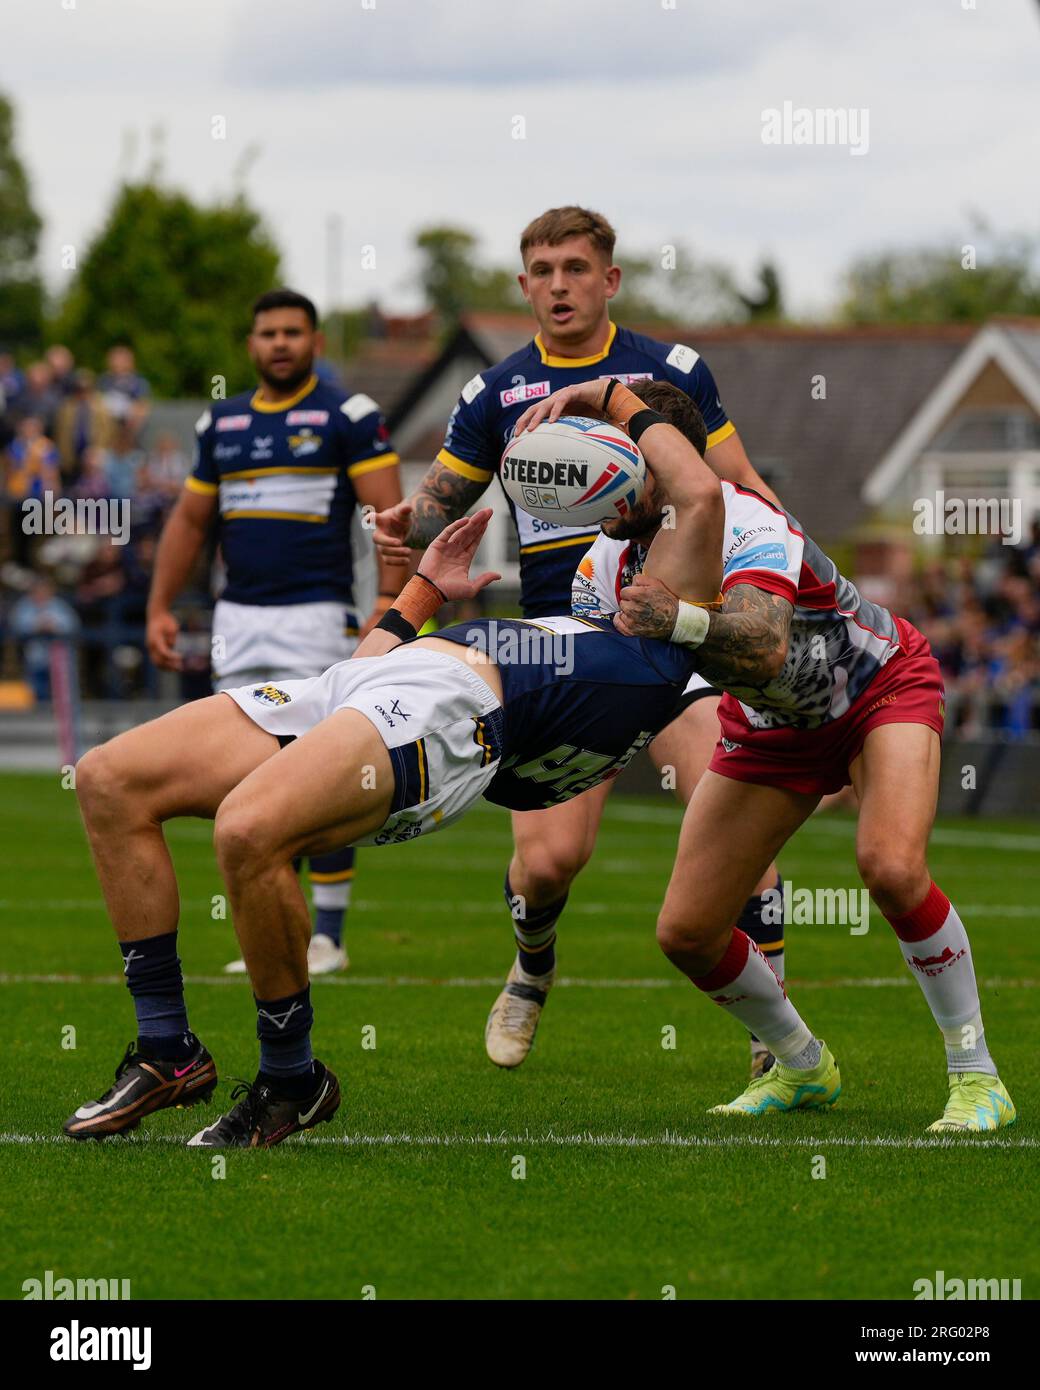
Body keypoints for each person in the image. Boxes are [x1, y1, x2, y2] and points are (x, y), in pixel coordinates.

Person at [63, 387, 726, 1146]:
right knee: (109, 778)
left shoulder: (681, 579)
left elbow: (698, 488)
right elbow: (366, 674)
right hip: (383, 682)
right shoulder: (600, 577)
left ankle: (290, 1080)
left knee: (248, 832)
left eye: (631, 454)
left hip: (455, 715)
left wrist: (607, 394)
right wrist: (424, 592)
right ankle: (166, 1051)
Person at [521, 378, 1015, 1134]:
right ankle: (802, 1063)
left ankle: (977, 1076)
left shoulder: (749, 516)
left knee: (890, 867)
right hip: (770, 728)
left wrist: (678, 618)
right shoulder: (601, 566)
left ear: (664, 458)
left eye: (616, 450)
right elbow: (612, 693)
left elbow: (762, 642)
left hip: (878, 689)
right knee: (687, 932)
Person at [374, 205, 787, 1077]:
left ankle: (773, 1036)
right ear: (523, 285)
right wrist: (406, 521)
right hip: (560, 638)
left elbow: (735, 482)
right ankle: (531, 967)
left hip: (675, 629)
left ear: (610, 279)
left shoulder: (668, 371)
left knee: (736, 812)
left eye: (574, 267)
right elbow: (440, 504)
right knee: (552, 862)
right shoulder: (494, 393)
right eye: (542, 270)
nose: (558, 284)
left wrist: (789, 569)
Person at [145, 288, 406, 976]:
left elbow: (388, 514)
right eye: (269, 333)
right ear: (252, 345)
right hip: (237, 617)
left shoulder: (347, 414)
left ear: (315, 342)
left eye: (294, 332)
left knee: (318, 768)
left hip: (318, 614)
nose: (281, 343)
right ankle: (272, 930)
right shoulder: (221, 423)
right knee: (246, 773)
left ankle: (328, 935)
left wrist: (386, 598)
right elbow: (192, 523)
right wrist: (160, 605)